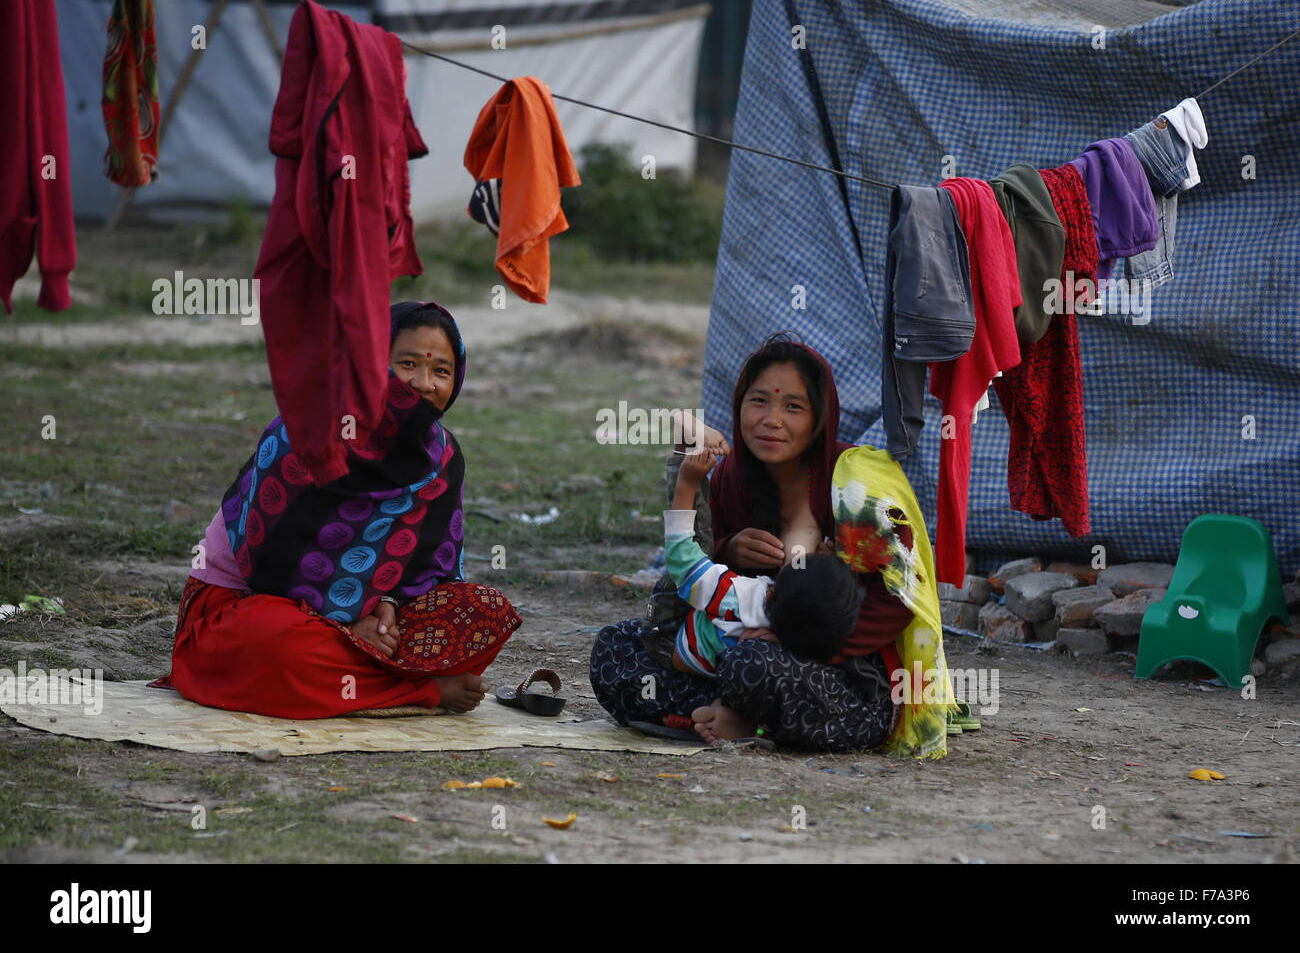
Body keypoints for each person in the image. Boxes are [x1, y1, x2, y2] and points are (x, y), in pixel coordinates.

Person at [153, 302, 515, 718]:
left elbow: (428, 570)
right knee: (279, 645)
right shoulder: (309, 429)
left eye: (442, 371)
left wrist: (388, 609)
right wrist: (347, 627)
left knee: (484, 611)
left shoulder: (443, 457)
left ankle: (365, 680)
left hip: (368, 619)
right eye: (407, 363)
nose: (423, 383)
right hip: (249, 606)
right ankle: (419, 691)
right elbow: (266, 562)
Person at [590, 332, 925, 752]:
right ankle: (726, 716)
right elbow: (702, 575)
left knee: (751, 666)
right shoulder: (733, 475)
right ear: (739, 406)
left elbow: (901, 599)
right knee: (615, 647)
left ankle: (723, 715)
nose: (772, 420)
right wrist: (729, 548)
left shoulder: (857, 488)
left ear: (820, 417)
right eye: (759, 401)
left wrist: (793, 637)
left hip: (834, 675)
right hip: (728, 648)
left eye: (793, 407)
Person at [664, 446, 862, 678]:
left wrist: (686, 485)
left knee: (669, 582)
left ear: (771, 591)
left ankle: (680, 456)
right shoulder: (808, 635)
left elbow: (683, 562)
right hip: (732, 672)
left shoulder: (738, 598)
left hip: (682, 647)